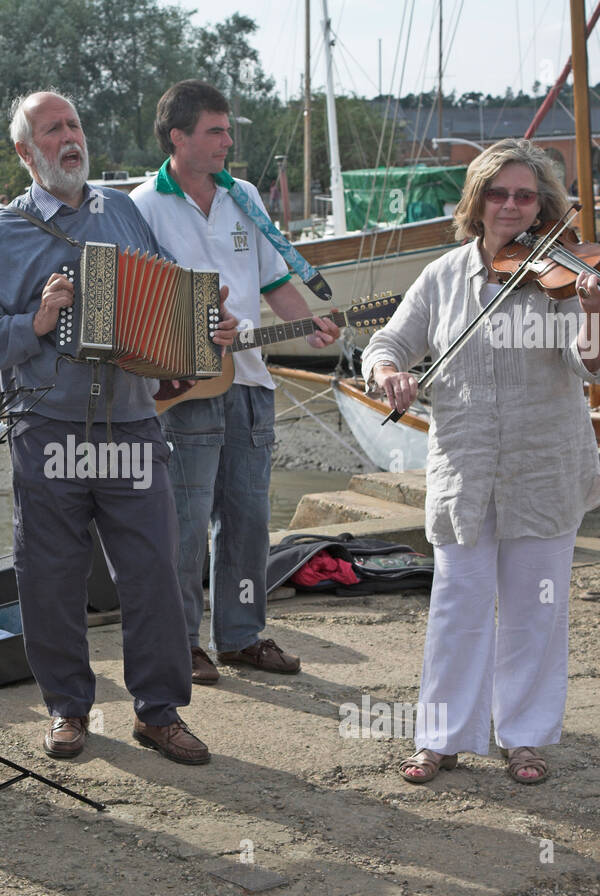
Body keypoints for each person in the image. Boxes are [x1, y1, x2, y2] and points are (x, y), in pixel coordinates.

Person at [0, 91, 238, 766]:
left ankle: (158, 712)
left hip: (132, 422)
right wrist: (35, 324)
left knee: (158, 572)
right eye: (53, 129)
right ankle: (68, 708)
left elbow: (163, 299)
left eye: (73, 125)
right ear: (26, 152)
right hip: (47, 427)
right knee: (51, 575)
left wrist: (207, 332)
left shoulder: (122, 209)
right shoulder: (2, 232)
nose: (69, 137)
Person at [363, 137, 600, 787]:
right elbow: (390, 340)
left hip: (544, 461)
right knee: (458, 599)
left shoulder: (562, 278)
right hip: (466, 463)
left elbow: (591, 363)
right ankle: (442, 737)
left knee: (537, 603)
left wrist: (597, 314)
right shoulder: (445, 276)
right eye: (498, 193)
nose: (510, 205)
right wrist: (388, 371)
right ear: (476, 202)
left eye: (524, 195)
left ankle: (525, 735)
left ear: (542, 207)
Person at [131, 80, 340, 686]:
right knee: (187, 522)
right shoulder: (142, 204)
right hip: (185, 385)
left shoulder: (244, 195)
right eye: (216, 131)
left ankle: (242, 636)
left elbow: (273, 277)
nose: (228, 141)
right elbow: (134, 295)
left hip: (252, 380)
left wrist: (308, 321)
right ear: (179, 136)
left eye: (228, 130)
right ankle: (183, 643)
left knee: (248, 520)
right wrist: (196, 325)